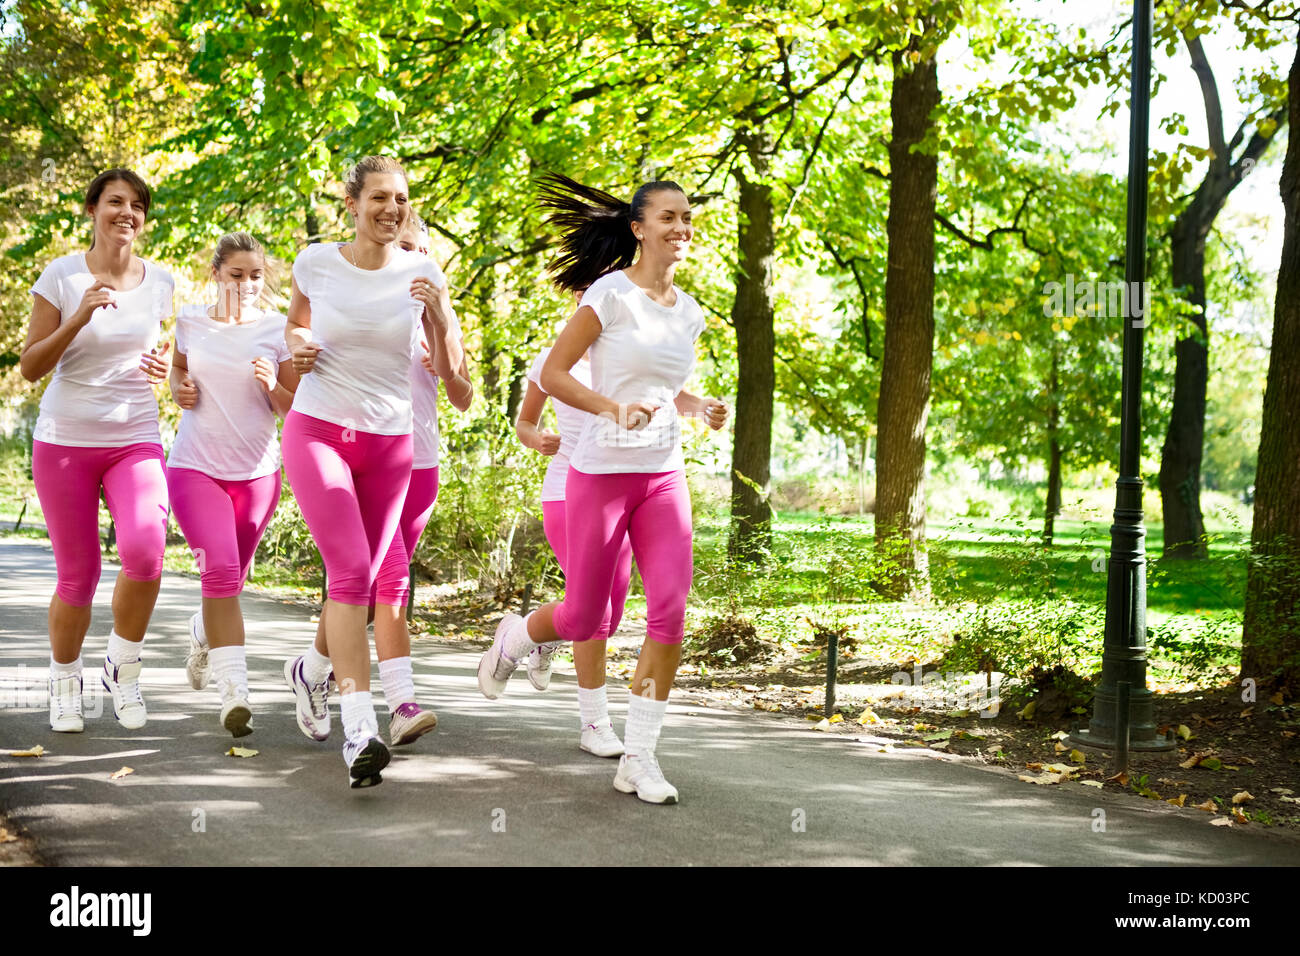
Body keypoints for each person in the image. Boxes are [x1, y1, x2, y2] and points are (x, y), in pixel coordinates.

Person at [478, 174, 729, 804]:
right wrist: (610, 409)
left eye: (687, 218)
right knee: (588, 616)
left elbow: (662, 382)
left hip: (663, 475)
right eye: (667, 218)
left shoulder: (690, 311)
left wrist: (698, 405)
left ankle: (639, 758)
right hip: (599, 475)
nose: (681, 228)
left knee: (669, 611)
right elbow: (556, 373)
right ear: (639, 229)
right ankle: (517, 636)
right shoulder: (608, 295)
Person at [281, 156, 463, 788]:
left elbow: (448, 369)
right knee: (353, 574)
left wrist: (440, 315)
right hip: (319, 431)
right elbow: (295, 326)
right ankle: (360, 729)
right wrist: (297, 346)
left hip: (392, 446)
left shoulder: (423, 272)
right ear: (352, 203)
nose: (392, 208)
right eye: (380, 197)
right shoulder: (316, 263)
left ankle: (310, 672)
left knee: (362, 581)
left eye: (402, 199)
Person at [19, 168, 175, 733]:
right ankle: (65, 684)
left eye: (137, 205)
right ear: (93, 210)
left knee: (146, 552)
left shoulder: (160, 282)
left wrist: (162, 369)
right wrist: (79, 316)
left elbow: (154, 355)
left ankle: (123, 668)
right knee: (78, 576)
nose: (126, 213)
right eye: (115, 202)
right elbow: (31, 366)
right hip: (65, 441)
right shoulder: (59, 276)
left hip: (134, 436)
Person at [166, 232, 298, 738]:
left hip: (258, 476)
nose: (246, 284)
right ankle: (234, 694)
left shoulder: (277, 330)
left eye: (256, 275)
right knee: (219, 573)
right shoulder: (190, 322)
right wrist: (179, 387)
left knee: (231, 582)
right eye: (236, 274)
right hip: (194, 466)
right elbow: (179, 371)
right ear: (216, 273)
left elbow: (293, 410)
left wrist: (273, 385)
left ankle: (203, 632)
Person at [515, 309, 630, 759]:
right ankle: (594, 722)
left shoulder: (625, 355)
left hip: (619, 492)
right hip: (565, 492)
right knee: (595, 610)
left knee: (609, 616)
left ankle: (535, 635)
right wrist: (537, 438)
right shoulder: (553, 357)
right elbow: (524, 422)